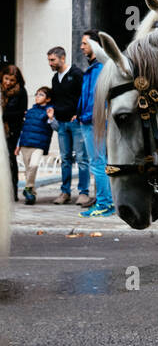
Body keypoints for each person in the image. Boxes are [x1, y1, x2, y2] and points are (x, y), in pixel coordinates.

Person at [78, 30, 114, 218]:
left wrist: (87, 116)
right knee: (100, 163)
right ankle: (106, 201)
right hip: (89, 120)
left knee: (97, 163)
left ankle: (105, 204)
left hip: (94, 122)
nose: (82, 47)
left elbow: (96, 98)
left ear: (96, 45)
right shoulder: (94, 67)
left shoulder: (100, 67)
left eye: (85, 43)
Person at [47, 45, 89, 206]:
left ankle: (83, 193)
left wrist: (78, 114)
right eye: (49, 60)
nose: (50, 63)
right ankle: (65, 192)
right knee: (65, 159)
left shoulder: (76, 74)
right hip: (62, 124)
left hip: (76, 124)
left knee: (81, 159)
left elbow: (85, 95)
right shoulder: (54, 78)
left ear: (62, 58)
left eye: (52, 60)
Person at [15, 85, 52, 204]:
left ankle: (28, 188)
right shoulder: (29, 112)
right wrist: (18, 145)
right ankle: (31, 195)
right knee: (28, 171)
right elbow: (23, 129)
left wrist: (51, 118)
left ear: (48, 99)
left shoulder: (50, 110)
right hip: (25, 144)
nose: (37, 96)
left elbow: (53, 126)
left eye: (41, 94)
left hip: (39, 145)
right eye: (36, 94)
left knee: (34, 166)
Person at [2, 63, 27, 202]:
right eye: (6, 79)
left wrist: (3, 115)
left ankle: (13, 191)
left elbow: (20, 113)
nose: (8, 83)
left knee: (10, 160)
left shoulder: (21, 92)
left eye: (12, 80)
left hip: (11, 131)